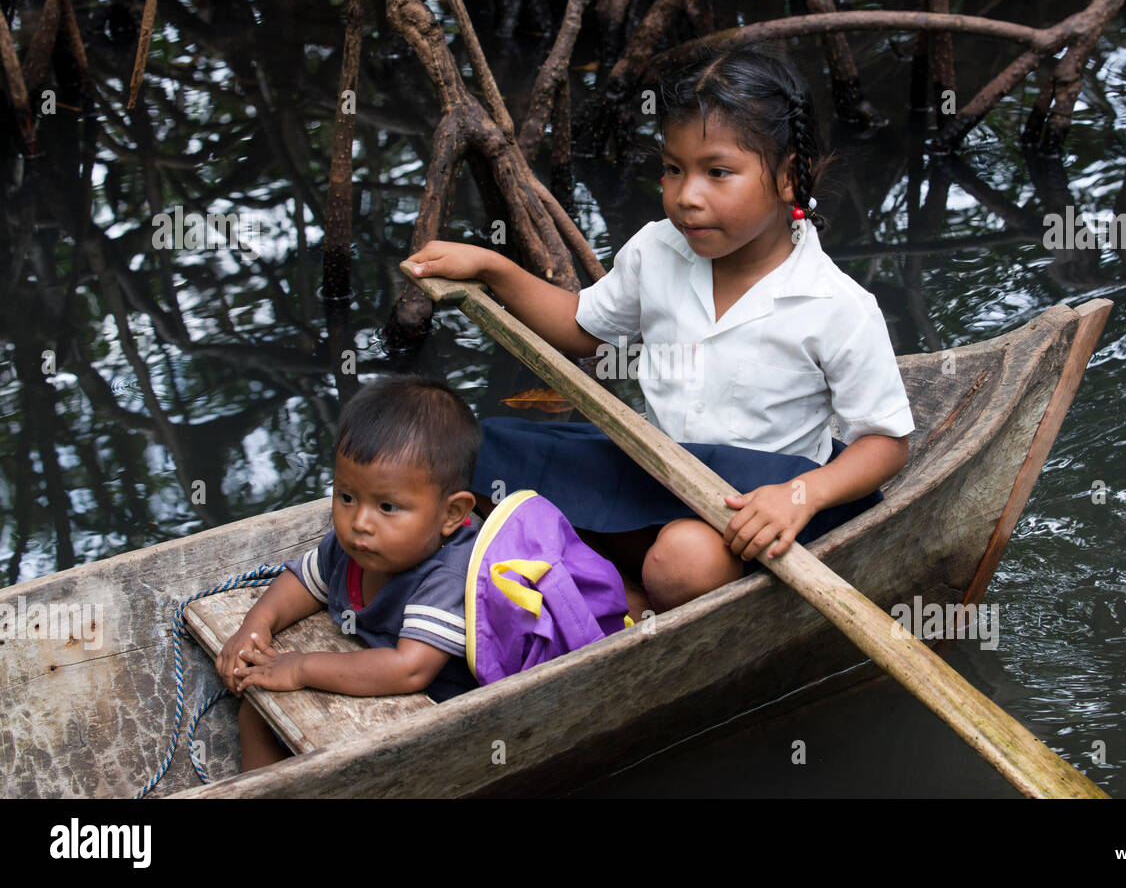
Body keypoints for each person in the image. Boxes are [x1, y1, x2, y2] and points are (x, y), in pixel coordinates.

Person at [405, 44, 914, 615]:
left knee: (682, 564)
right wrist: (493, 268)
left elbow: (886, 441)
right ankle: (623, 589)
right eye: (673, 169)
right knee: (478, 456)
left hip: (755, 502)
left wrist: (800, 496)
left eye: (717, 172)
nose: (686, 196)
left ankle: (625, 588)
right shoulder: (658, 250)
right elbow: (581, 328)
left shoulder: (836, 304)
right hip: (656, 470)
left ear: (788, 178)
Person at [218, 375, 482, 770]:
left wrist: (301, 667)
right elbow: (305, 582)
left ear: (451, 514)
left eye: (387, 507)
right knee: (255, 712)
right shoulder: (357, 546)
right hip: (362, 680)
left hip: (432, 721)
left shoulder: (449, 575)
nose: (360, 521)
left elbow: (409, 670)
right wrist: (256, 626)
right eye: (346, 496)